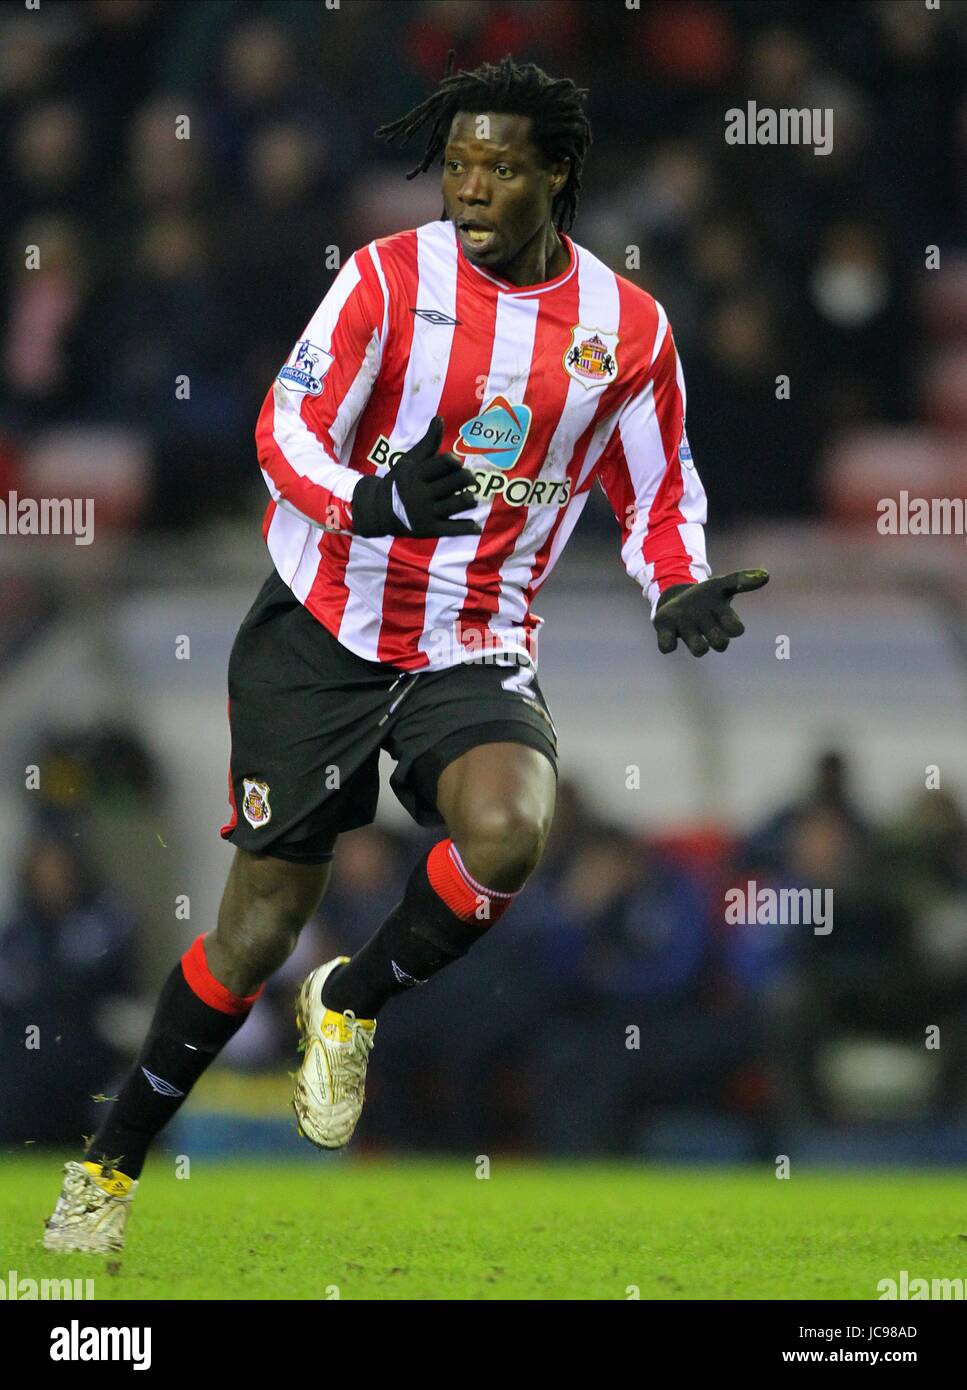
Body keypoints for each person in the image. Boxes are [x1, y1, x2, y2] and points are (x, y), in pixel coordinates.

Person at [45, 53, 767, 1253]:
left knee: (510, 833)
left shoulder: (625, 330)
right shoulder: (387, 281)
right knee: (259, 928)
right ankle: (108, 1171)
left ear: (559, 174)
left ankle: (354, 1000)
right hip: (325, 622)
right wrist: (372, 503)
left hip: (472, 636)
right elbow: (285, 430)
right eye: (458, 167)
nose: (469, 189)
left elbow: (657, 489)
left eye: (497, 168)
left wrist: (677, 577)